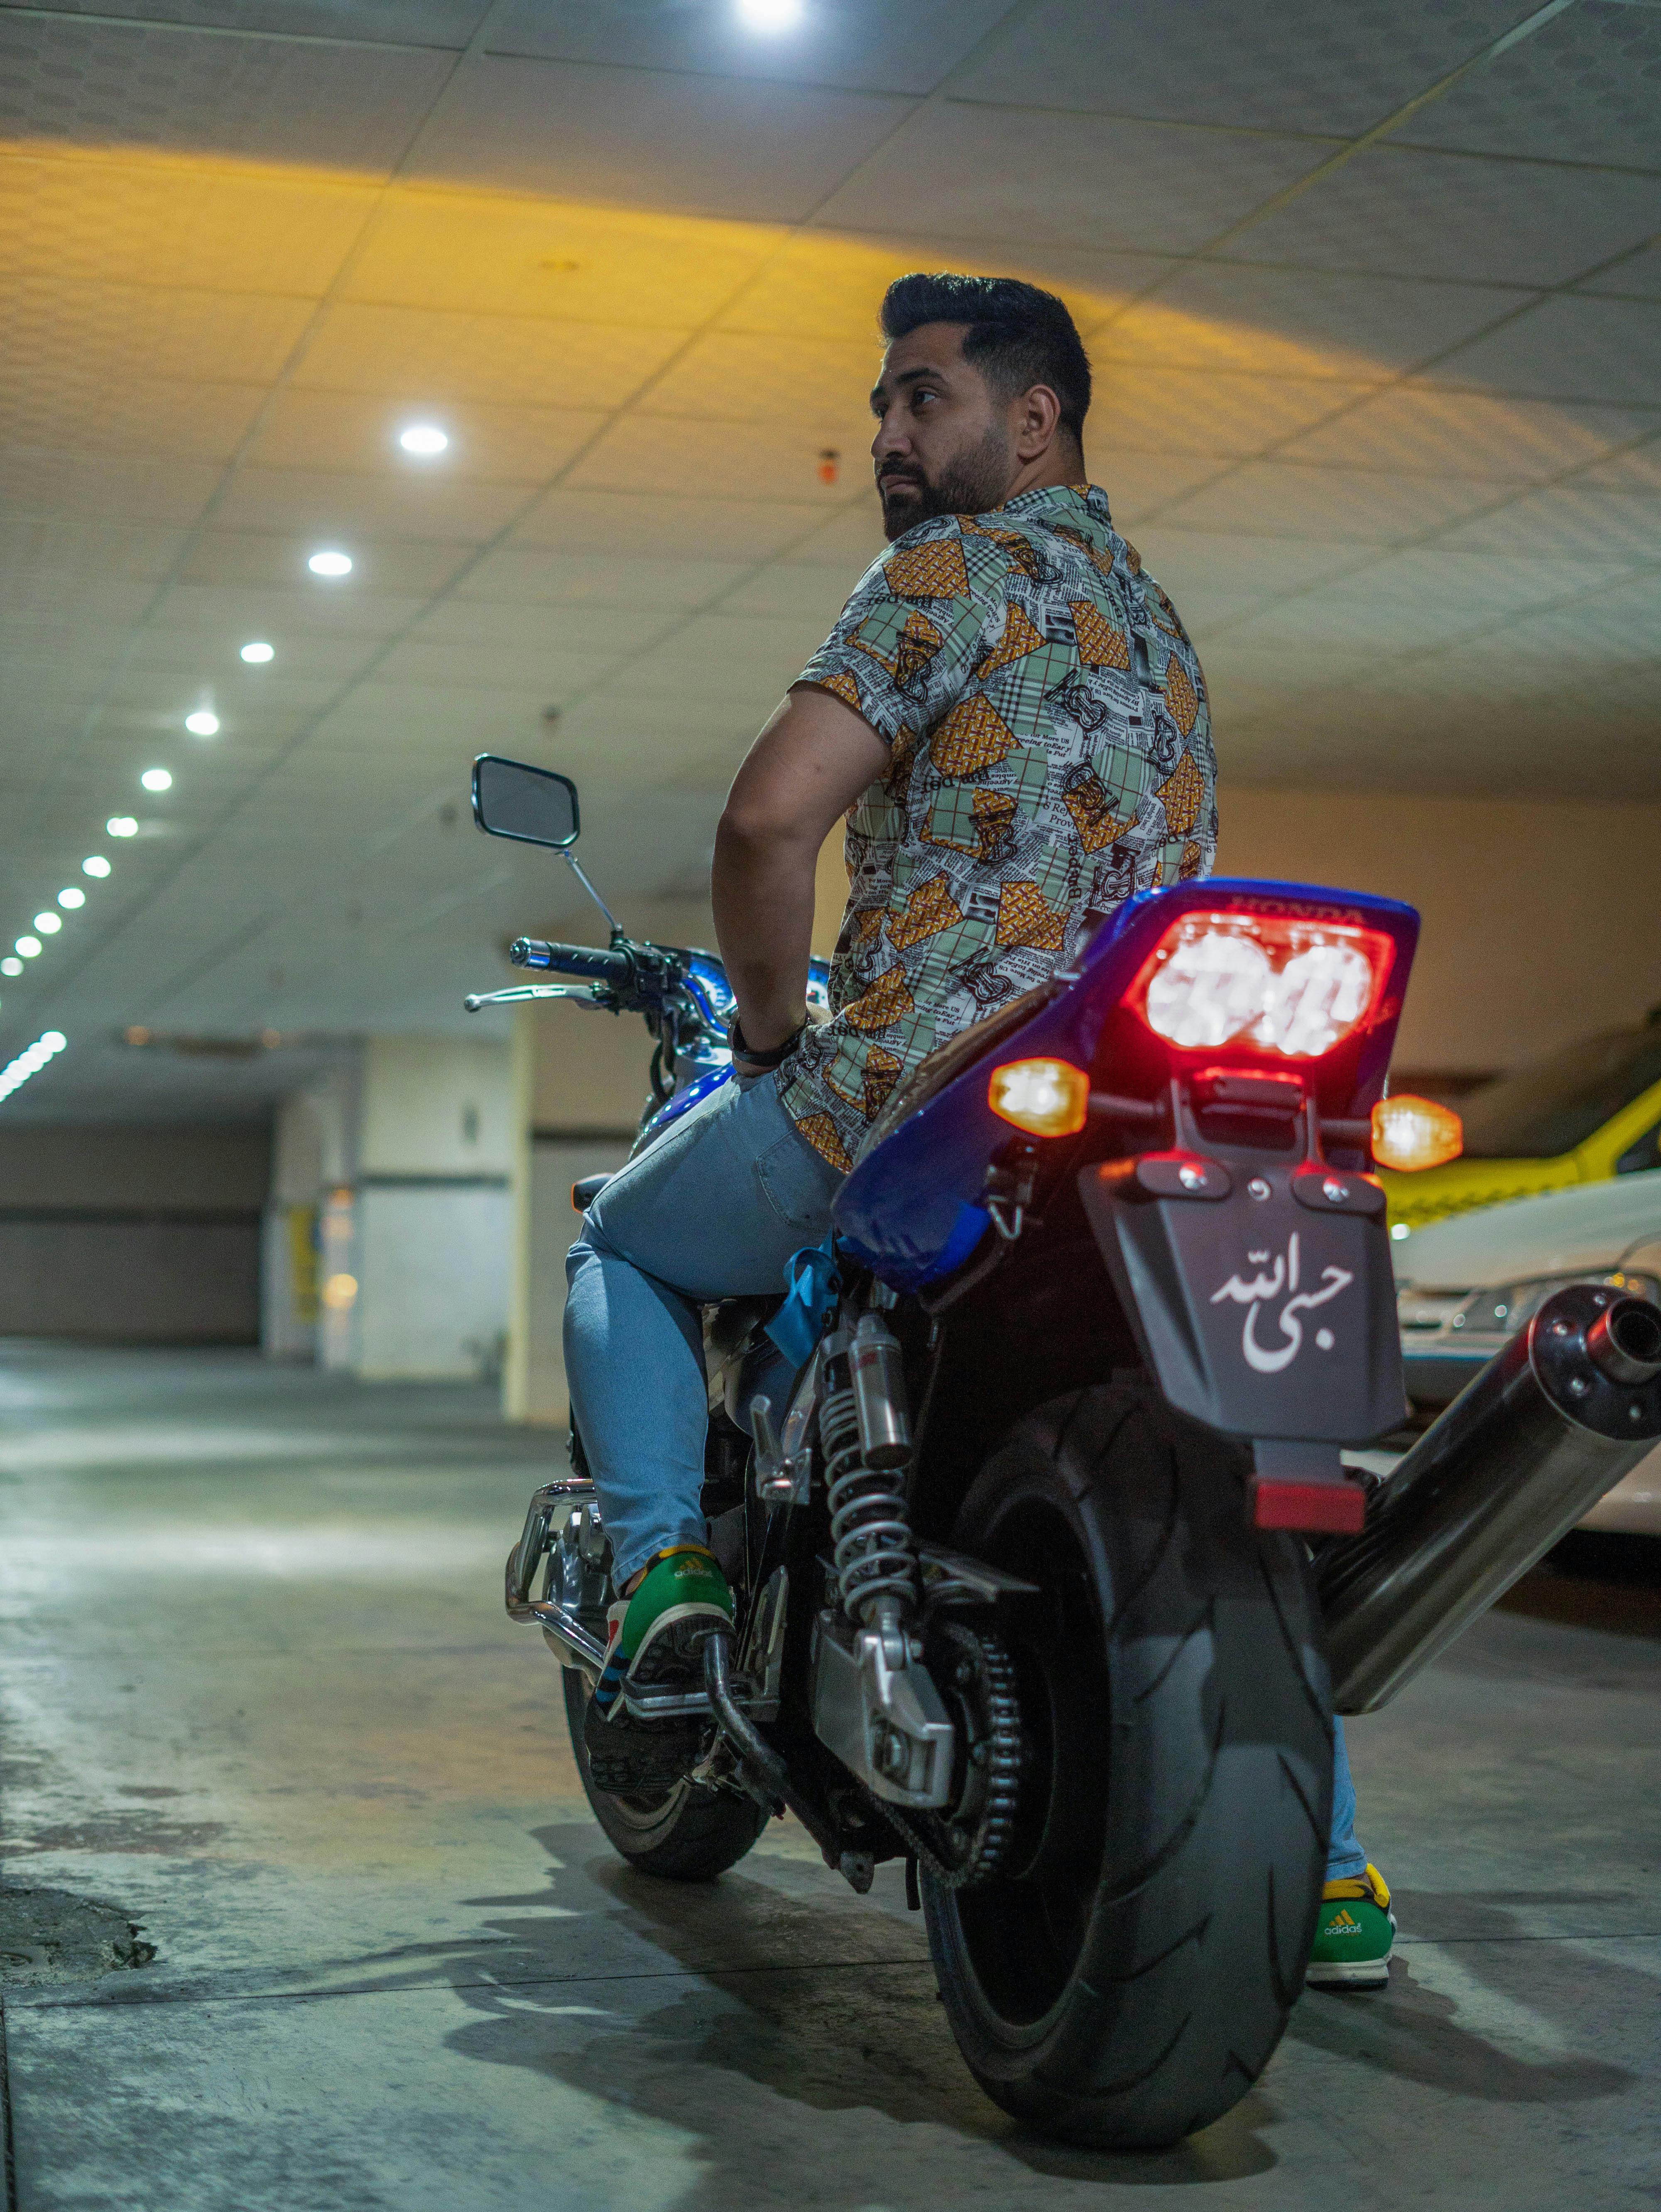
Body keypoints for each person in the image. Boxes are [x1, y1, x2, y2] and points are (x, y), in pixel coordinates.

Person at [563, 272, 1393, 1987]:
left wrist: (774, 1036)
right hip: (1132, 1103)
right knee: (1220, 1457)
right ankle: (1322, 1864)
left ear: (1032, 421)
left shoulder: (948, 572)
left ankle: (660, 1583)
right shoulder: (1152, 615)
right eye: (881, 404)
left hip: (915, 1088)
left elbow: (766, 823)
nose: (888, 432)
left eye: (920, 397)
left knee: (620, 1244)